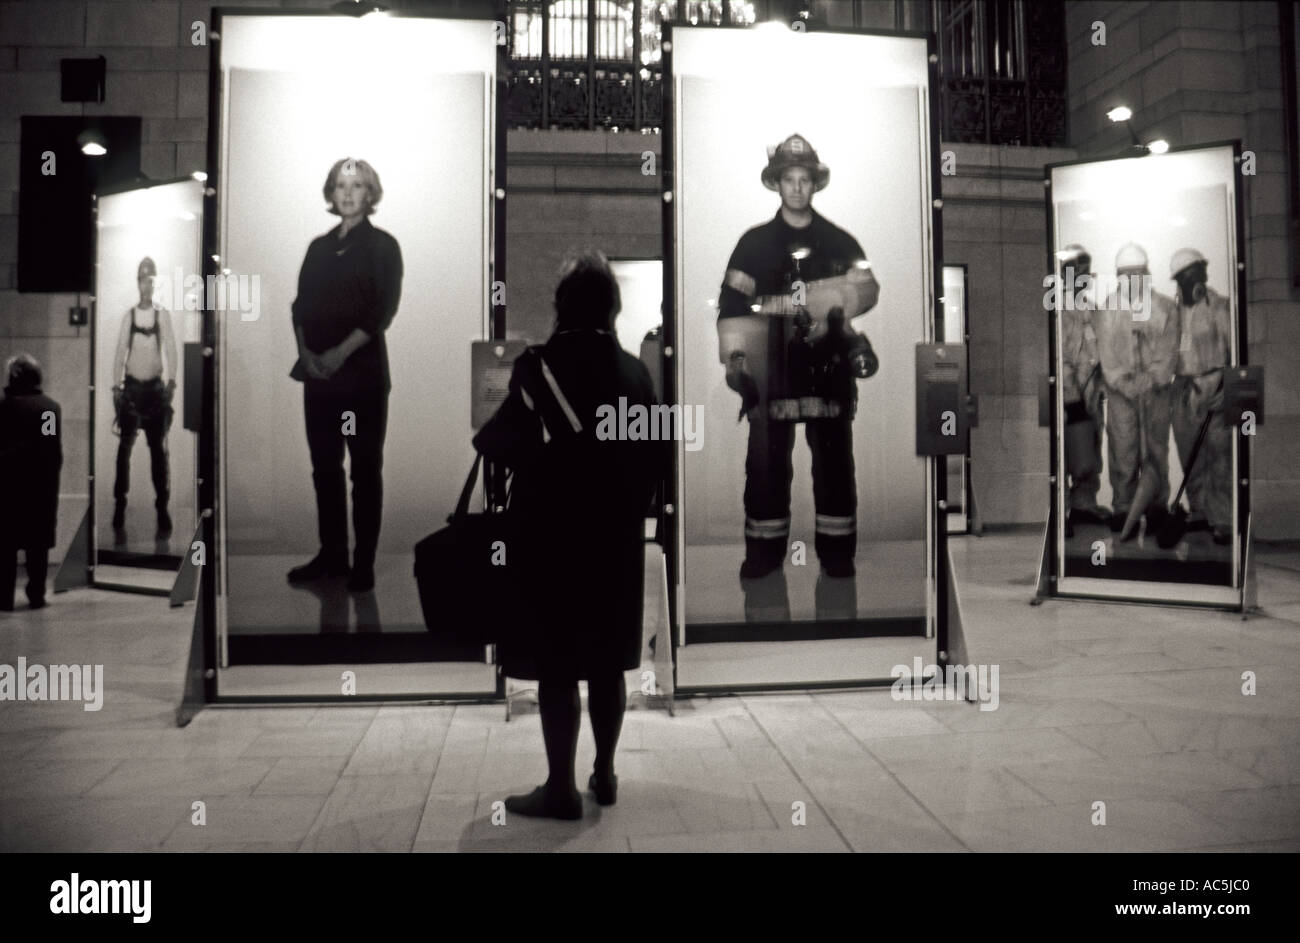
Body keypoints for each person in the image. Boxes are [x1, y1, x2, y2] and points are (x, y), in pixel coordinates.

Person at [473, 251, 661, 819]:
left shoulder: (538, 367)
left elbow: (495, 443)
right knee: (607, 661)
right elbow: (652, 456)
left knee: (557, 664)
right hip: (615, 538)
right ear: (613, 305)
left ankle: (560, 788)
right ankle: (604, 772)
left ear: (561, 306)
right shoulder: (635, 371)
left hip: (550, 535)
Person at [716, 134, 879, 589]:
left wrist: (834, 302)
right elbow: (731, 306)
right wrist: (736, 362)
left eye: (804, 179)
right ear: (777, 183)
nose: (797, 188)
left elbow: (868, 289)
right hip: (771, 377)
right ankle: (764, 555)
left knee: (834, 470)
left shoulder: (839, 242)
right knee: (766, 470)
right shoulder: (753, 246)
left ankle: (837, 554)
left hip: (828, 376)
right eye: (789, 179)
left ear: (814, 184)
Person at [286, 158, 403, 593]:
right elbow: (298, 307)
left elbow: (381, 311)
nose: (348, 193)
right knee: (325, 469)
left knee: (365, 470)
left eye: (357, 185)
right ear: (331, 194)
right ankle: (332, 554)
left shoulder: (383, 247)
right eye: (340, 185)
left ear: (370, 193)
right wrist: (308, 355)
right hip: (319, 379)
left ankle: (363, 563)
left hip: (363, 380)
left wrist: (337, 355)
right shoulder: (318, 247)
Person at [1091, 242, 1179, 538]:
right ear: (1118, 275)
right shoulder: (1108, 310)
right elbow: (1106, 354)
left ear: (1147, 273)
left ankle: (1155, 507)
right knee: (1122, 449)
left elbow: (1168, 351)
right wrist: (1121, 383)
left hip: (1155, 393)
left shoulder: (1165, 308)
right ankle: (1123, 507)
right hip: (1120, 395)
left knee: (1156, 449)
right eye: (1126, 273)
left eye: (1137, 272)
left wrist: (1151, 380)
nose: (1132, 278)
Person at [1169, 248, 1233, 545]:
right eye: (1189, 274)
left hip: (1215, 386)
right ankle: (1198, 512)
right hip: (1183, 390)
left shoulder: (1221, 307)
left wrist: (1228, 390)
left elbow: (1238, 353)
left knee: (1219, 457)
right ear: (1179, 280)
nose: (1198, 277)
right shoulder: (1173, 313)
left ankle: (1222, 519)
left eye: (1200, 270)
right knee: (1189, 455)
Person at [111, 257, 178, 538]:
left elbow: (172, 350)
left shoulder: (162, 316)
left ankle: (162, 506)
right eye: (143, 280)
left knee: (158, 454)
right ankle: (120, 504)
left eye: (151, 280)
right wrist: (116, 387)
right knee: (124, 452)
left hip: (154, 391)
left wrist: (172, 382)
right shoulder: (131, 316)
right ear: (138, 283)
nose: (147, 285)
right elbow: (119, 353)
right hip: (133, 390)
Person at [0, 354, 62, 611]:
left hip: (7, 487)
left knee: (5, 547)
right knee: (38, 546)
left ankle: (4, 597)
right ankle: (36, 594)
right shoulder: (48, 408)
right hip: (40, 487)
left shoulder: (3, 408)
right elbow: (51, 448)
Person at [1056, 244, 1109, 536]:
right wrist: (1071, 397)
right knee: (1067, 453)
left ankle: (1084, 504)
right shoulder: (1059, 307)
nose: (1085, 275)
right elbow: (1059, 356)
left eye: (1087, 270)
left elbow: (1100, 351)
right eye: (1079, 270)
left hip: (1092, 392)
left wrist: (1101, 388)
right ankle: (1062, 510)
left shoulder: (1091, 308)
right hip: (1070, 395)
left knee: (1090, 451)